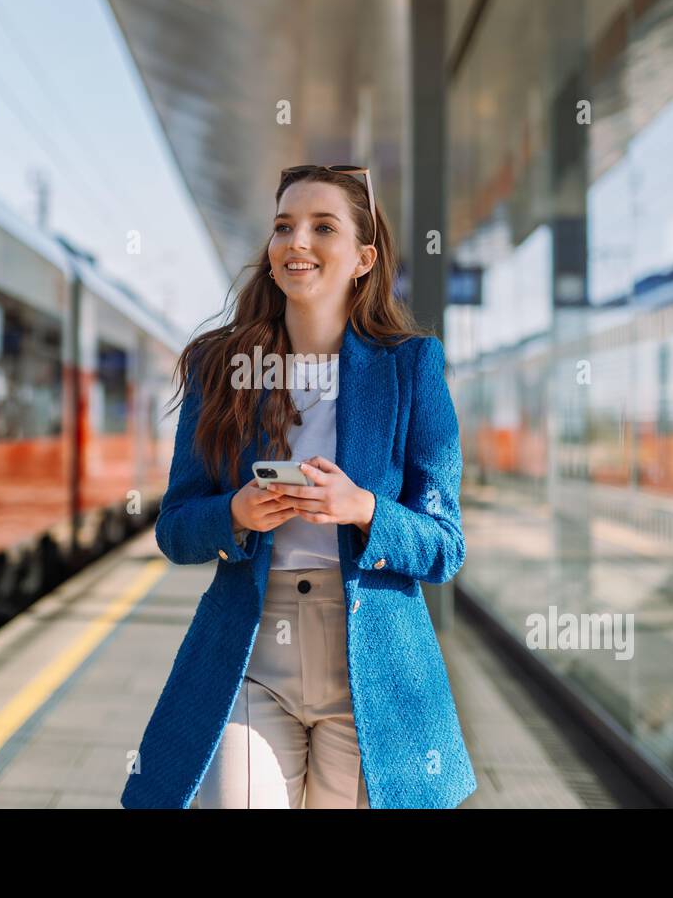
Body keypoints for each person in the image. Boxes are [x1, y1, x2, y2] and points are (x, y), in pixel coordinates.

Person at [120, 164, 477, 809]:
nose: (296, 242)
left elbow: (445, 546)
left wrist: (364, 508)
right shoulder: (220, 367)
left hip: (371, 667)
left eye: (322, 227)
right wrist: (234, 512)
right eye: (283, 226)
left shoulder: (410, 367)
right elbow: (175, 528)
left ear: (364, 258)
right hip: (252, 657)